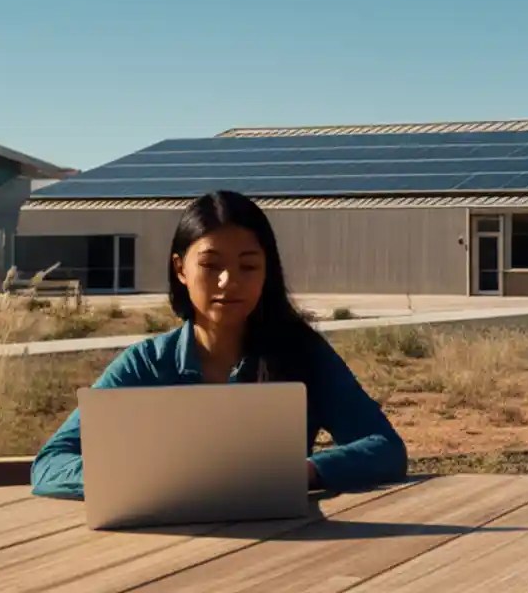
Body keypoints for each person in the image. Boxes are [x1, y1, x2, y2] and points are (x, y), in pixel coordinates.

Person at [30, 190, 407, 499]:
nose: (229, 281)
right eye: (211, 266)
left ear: (267, 272)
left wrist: (303, 472)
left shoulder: (302, 355)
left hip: (286, 546)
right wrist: (147, 477)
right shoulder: (145, 365)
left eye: (248, 266)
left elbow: (386, 449)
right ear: (180, 269)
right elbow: (50, 463)